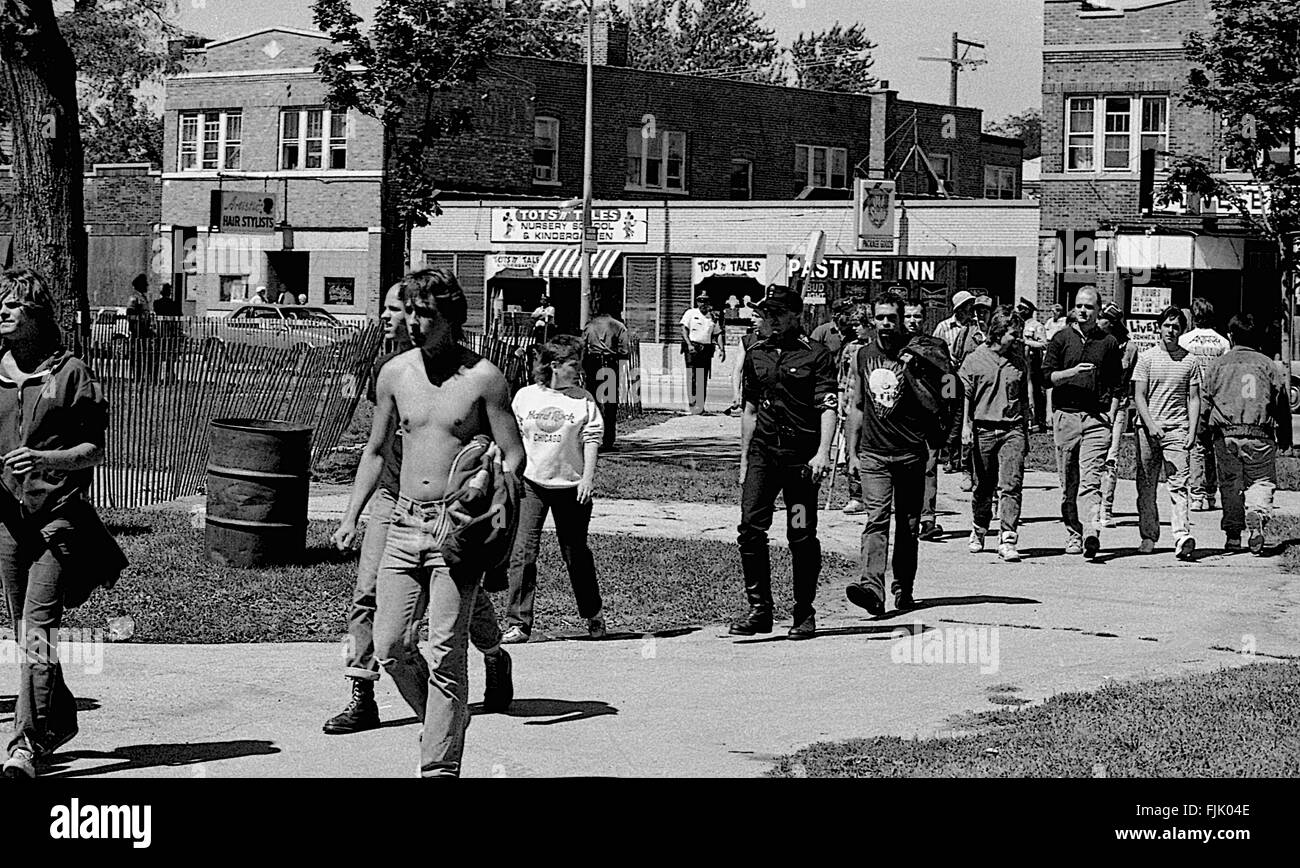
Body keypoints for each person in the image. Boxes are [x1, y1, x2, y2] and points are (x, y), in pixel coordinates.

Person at [343, 267, 526, 777]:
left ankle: (439, 767)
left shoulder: (484, 379)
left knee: (445, 652)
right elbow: (376, 452)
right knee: (392, 646)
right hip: (402, 523)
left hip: (455, 528)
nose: (416, 323)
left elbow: (515, 456)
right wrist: (351, 515)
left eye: (427, 314)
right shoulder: (394, 373)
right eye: (412, 312)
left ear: (451, 317)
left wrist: (488, 490)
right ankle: (444, 723)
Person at [0, 269, 125, 779]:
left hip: (58, 519)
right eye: (0, 306)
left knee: (38, 628)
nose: (3, 313)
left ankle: (26, 743)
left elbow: (92, 448)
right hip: (7, 520)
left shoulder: (71, 373)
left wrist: (50, 461)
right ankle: (60, 715)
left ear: (38, 316)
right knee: (24, 631)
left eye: (14, 306)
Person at [732, 286, 837, 638]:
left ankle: (803, 612)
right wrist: (745, 458)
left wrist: (823, 452)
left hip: (800, 462)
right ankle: (759, 609)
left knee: (801, 534)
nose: (770, 320)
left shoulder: (817, 355)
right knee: (750, 529)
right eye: (767, 313)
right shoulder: (755, 353)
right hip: (764, 455)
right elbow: (748, 409)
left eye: (778, 313)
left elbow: (828, 407)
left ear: (796, 316)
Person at [503, 335, 608, 643]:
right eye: (573, 365)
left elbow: (592, 439)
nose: (579, 370)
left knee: (575, 553)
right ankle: (518, 623)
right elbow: (514, 438)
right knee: (523, 552)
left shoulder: (583, 399)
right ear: (554, 366)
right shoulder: (525, 396)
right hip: (532, 483)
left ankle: (593, 615)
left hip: (572, 486)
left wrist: (588, 478)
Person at [845, 291, 940, 615]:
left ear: (901, 320)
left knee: (909, 525)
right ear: (873, 319)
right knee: (876, 519)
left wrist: (914, 372)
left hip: (910, 454)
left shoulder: (918, 353)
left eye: (892, 318)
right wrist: (851, 452)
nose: (886, 323)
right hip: (874, 454)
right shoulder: (863, 355)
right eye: (881, 317)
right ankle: (872, 586)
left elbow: (939, 398)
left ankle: (903, 586)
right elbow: (857, 405)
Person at [1043, 285, 1123, 559]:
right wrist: (1072, 373)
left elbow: (1117, 383)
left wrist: (1110, 414)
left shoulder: (1108, 342)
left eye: (1089, 306)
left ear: (1098, 310)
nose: (1083, 311)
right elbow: (1046, 377)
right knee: (1069, 482)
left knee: (1091, 479)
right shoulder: (1060, 338)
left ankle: (1091, 531)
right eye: (1079, 305)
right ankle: (1073, 533)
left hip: (1095, 420)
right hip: (1066, 415)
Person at [1202, 314, 1292, 554]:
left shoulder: (1217, 365)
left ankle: (1233, 536)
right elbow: (1281, 403)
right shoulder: (1268, 365)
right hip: (1259, 433)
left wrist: (1201, 433)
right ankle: (1257, 515)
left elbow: (1204, 401)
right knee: (1261, 481)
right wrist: (1285, 437)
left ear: (1231, 336)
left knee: (1230, 485)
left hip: (1226, 434)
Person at [960, 305, 1030, 562]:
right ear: (999, 333)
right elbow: (964, 396)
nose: (1018, 338)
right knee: (984, 487)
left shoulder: (1019, 361)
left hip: (1012, 428)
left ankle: (1008, 538)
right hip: (983, 429)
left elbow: (1023, 397)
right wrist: (966, 427)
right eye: (1014, 333)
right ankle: (979, 527)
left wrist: (1026, 431)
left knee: (1012, 485)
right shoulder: (974, 359)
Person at [1131, 306, 1202, 560]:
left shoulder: (1190, 360)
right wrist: (1150, 424)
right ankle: (1148, 535)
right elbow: (1139, 395)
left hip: (1177, 429)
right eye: (1167, 326)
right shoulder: (1147, 358)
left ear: (1182, 331)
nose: (1171, 331)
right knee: (1146, 485)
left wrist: (1192, 431)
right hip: (1148, 430)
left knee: (1179, 485)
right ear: (1158, 328)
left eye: (1176, 327)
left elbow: (1193, 398)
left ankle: (1182, 536)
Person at [1179, 298, 1231, 512]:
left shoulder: (1185, 340)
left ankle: (1197, 493)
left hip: (1195, 395)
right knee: (1214, 447)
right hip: (1217, 397)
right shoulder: (1222, 342)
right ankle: (1211, 492)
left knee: (1198, 446)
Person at [903, 299, 945, 539]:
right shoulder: (893, 345)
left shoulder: (936, 345)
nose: (912, 321)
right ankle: (908, 517)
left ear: (924, 319)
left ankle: (928, 519)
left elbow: (948, 379)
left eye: (917, 316)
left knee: (929, 467)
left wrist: (947, 409)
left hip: (928, 415)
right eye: (908, 316)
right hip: (898, 419)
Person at [1098, 303, 1140, 528]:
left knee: (1111, 456)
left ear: (1112, 322)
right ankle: (1092, 504)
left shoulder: (1129, 348)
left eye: (1103, 318)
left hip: (1119, 405)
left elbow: (1124, 379)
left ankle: (1106, 508)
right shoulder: (1096, 341)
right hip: (1096, 405)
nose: (1098, 321)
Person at [933, 290, 979, 492]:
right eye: (968, 306)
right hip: (949, 376)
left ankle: (963, 460)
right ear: (959, 308)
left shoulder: (975, 327)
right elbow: (934, 349)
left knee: (966, 415)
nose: (971, 310)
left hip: (968, 376)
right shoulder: (943, 327)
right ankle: (949, 456)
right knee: (950, 412)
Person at [581, 302, 631, 452]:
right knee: (610, 404)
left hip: (593, 363)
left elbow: (583, 346)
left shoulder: (590, 325)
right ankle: (608, 440)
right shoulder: (618, 326)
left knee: (592, 401)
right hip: (609, 364)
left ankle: (592, 437)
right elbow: (624, 349)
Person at [839, 303, 873, 515]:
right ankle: (855, 495)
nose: (857, 328)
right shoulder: (850, 348)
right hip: (852, 405)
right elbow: (843, 378)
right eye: (855, 325)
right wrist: (842, 400)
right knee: (851, 448)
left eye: (861, 324)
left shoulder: (878, 348)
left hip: (872, 408)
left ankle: (873, 495)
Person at [680, 292, 723, 414]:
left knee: (702, 377)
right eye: (700, 301)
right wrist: (688, 344)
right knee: (692, 377)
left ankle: (700, 407)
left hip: (706, 350)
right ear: (697, 302)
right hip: (692, 348)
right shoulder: (690, 313)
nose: (703, 303)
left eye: (705, 301)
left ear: (709, 303)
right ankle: (692, 405)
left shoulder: (712, 317)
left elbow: (717, 333)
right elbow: (683, 329)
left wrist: (722, 349)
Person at [726, 306, 767, 417]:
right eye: (752, 316)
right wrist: (736, 393)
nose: (752, 319)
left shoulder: (777, 340)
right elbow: (737, 369)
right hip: (751, 393)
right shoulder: (747, 341)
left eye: (757, 317)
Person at [1017, 298, 1048, 432]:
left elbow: (1043, 344)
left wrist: (1026, 342)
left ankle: (1037, 420)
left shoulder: (1036, 326)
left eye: (1021, 309)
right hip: (1021, 362)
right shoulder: (1019, 325)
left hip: (1033, 364)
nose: (1019, 311)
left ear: (1028, 310)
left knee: (1035, 392)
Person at [125, 274, 152, 339]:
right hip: (138, 327)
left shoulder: (142, 297)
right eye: (145, 284)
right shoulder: (134, 297)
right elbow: (130, 311)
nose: (147, 286)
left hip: (144, 326)